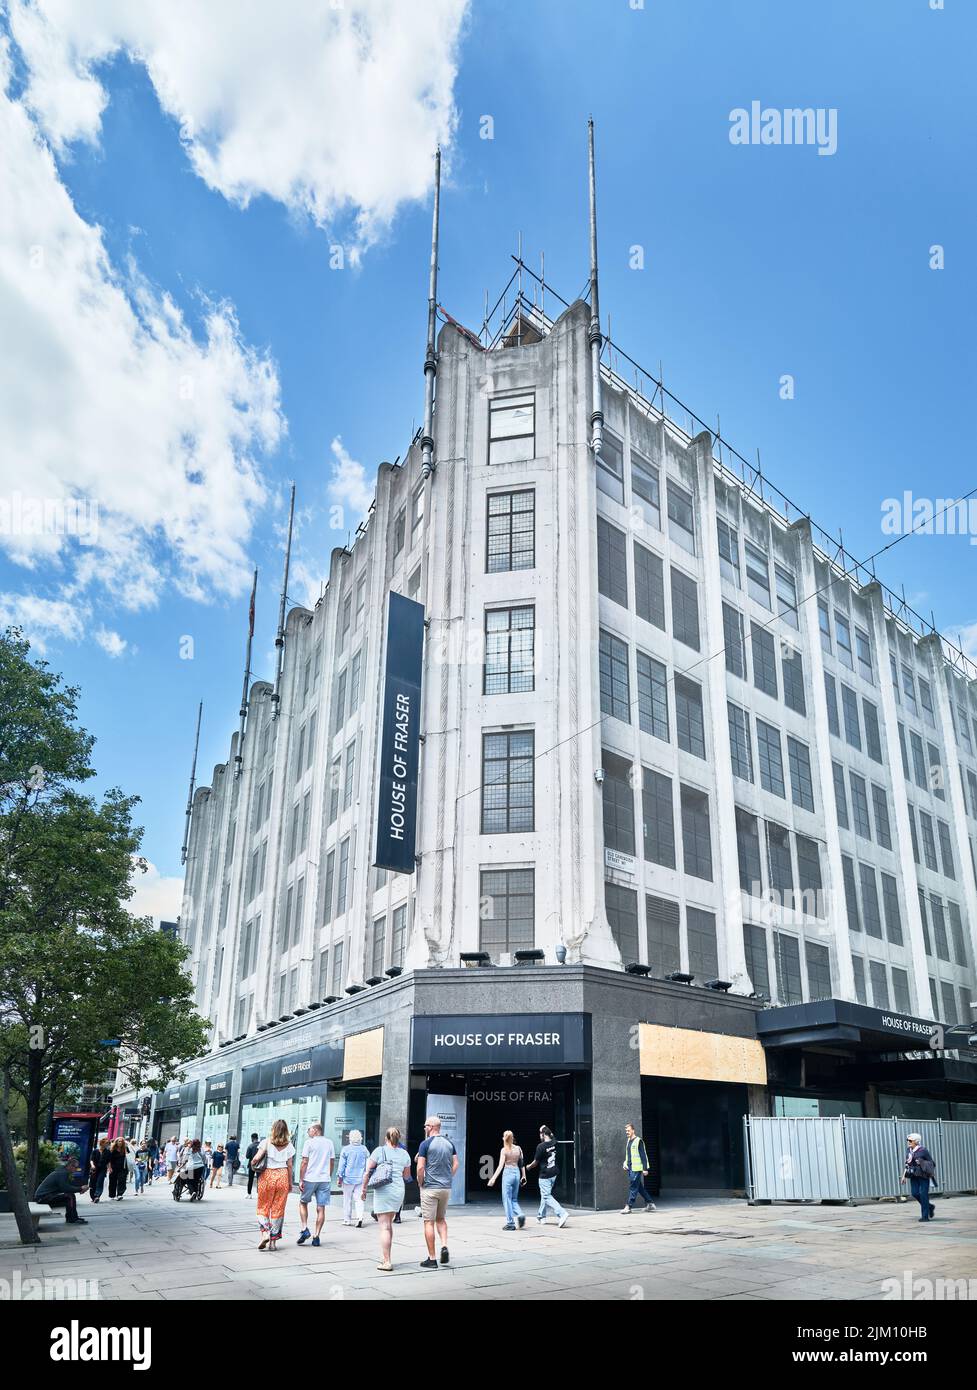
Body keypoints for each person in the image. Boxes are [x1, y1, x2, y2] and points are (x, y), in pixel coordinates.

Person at [361, 1126, 412, 1273]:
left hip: (383, 1190)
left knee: (384, 1227)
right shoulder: (405, 1154)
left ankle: (387, 1261)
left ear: (386, 1138)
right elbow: (406, 1176)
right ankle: (386, 1257)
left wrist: (364, 1189)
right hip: (398, 1191)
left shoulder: (379, 1151)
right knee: (389, 1225)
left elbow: (367, 1172)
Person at [416, 1116, 458, 1269]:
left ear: (432, 1126)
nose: (425, 1128)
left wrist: (421, 1183)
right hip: (445, 1188)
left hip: (430, 1188)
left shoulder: (425, 1144)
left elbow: (420, 1167)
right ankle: (444, 1245)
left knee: (429, 1222)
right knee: (441, 1219)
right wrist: (448, 1177)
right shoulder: (449, 1143)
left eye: (426, 1126)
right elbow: (456, 1163)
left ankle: (432, 1259)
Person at [252, 1119, 295, 1250]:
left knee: (262, 1207)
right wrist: (290, 1183)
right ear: (285, 1130)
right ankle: (273, 1243)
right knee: (278, 1209)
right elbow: (290, 1165)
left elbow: (256, 1159)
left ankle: (265, 1232)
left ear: (273, 1129)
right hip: (282, 1176)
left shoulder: (266, 1142)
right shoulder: (289, 1145)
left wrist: (253, 1164)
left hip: (267, 1176)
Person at [297, 1122, 335, 1247]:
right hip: (324, 1179)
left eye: (309, 1129)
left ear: (315, 1130)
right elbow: (332, 1161)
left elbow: (304, 1162)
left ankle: (304, 1228)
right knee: (321, 1208)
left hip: (310, 1178)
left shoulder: (309, 1142)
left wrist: (301, 1179)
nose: (308, 1132)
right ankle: (316, 1236)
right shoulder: (329, 1142)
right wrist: (328, 1175)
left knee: (303, 1203)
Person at [526, 1125, 569, 1227]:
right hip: (554, 1173)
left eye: (540, 1134)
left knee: (546, 1196)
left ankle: (562, 1213)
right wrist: (545, 1128)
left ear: (543, 1134)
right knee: (544, 1195)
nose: (539, 1136)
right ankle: (541, 1216)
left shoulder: (541, 1146)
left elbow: (535, 1163)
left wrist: (528, 1167)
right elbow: (552, 1135)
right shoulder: (554, 1142)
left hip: (545, 1175)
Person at [488, 1130, 527, 1230]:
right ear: (513, 1138)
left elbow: (500, 1166)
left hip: (508, 1173)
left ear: (504, 1139)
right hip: (517, 1173)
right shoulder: (518, 1148)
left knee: (507, 1199)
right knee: (514, 1199)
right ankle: (520, 1214)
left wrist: (493, 1178)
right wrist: (524, 1176)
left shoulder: (504, 1150)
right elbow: (522, 1163)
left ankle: (510, 1223)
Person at [35, 1156, 88, 1225]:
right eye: (75, 1167)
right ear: (70, 1166)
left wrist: (81, 1188)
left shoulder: (63, 1171)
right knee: (69, 1196)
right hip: (42, 1198)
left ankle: (73, 1217)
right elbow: (65, 1188)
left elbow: (67, 1186)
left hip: (45, 1196)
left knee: (70, 1195)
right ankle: (72, 1218)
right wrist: (80, 1188)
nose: (76, 1170)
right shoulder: (63, 1173)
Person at [621, 1122, 656, 1214]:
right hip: (630, 1168)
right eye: (626, 1131)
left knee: (633, 1187)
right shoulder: (629, 1141)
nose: (627, 1132)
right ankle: (650, 1204)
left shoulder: (638, 1141)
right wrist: (625, 1163)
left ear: (633, 1130)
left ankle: (628, 1206)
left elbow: (643, 1156)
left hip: (637, 1169)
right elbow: (628, 1155)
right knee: (639, 1187)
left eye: (628, 1130)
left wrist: (645, 1169)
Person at [336, 1129, 369, 1227]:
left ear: (350, 1138)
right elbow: (368, 1164)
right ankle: (360, 1217)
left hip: (348, 1178)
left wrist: (339, 1177)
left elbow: (342, 1165)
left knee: (347, 1199)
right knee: (359, 1199)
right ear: (360, 1138)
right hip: (360, 1178)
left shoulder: (346, 1149)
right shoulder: (364, 1149)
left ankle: (347, 1220)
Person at [902, 1132, 937, 1222]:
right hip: (913, 1174)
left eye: (910, 1140)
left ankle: (925, 1216)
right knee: (915, 1193)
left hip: (923, 1175)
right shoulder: (908, 1150)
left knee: (923, 1194)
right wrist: (904, 1176)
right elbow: (907, 1163)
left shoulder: (923, 1150)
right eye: (908, 1140)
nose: (908, 1142)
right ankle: (929, 1206)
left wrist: (921, 1162)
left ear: (916, 1142)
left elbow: (932, 1163)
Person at [89, 1138, 110, 1203]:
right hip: (94, 1169)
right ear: (102, 1143)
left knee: (100, 1182)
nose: (107, 1145)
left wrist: (109, 1168)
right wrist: (92, 1165)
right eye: (106, 1143)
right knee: (93, 1183)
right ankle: (93, 1197)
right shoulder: (95, 1151)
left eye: (108, 1143)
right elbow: (91, 1159)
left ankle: (97, 1196)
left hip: (103, 1169)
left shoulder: (108, 1152)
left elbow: (109, 1161)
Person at [244, 1133, 261, 1198]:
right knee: (259, 1180)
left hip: (252, 1165)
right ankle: (259, 1194)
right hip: (260, 1165)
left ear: (252, 1138)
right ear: (257, 1137)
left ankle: (249, 1193)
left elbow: (247, 1156)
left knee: (250, 1179)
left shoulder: (250, 1146)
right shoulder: (261, 1145)